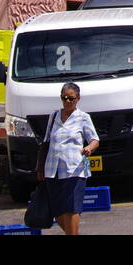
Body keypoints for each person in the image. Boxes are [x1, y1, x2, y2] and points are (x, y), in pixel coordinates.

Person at [35, 82, 100, 236]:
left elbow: (94, 139)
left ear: (78, 99)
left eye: (71, 98)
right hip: (53, 169)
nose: (68, 102)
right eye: (64, 98)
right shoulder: (54, 116)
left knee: (71, 208)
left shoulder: (83, 117)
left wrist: (89, 148)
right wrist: (40, 167)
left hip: (75, 168)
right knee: (58, 210)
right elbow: (46, 142)